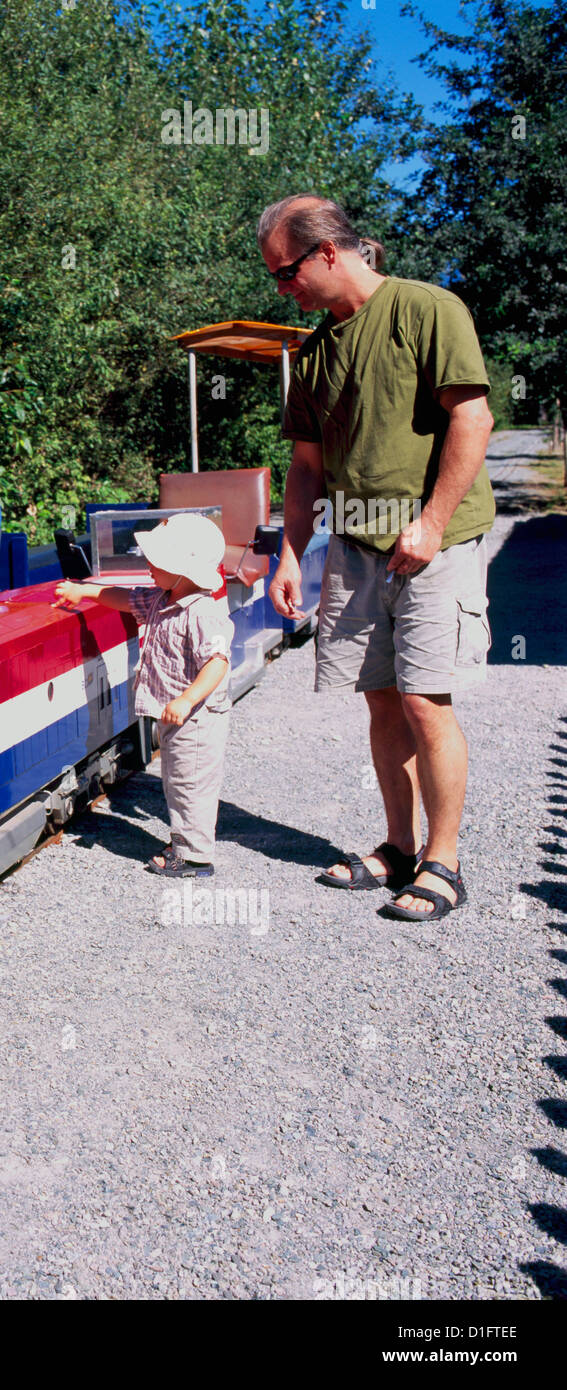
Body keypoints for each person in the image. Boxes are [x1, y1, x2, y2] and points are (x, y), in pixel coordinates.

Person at [258, 194, 494, 921]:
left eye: (285, 270)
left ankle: (442, 862)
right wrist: (289, 554)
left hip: (435, 543)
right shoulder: (312, 350)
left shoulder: (427, 309)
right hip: (356, 550)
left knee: (426, 700)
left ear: (328, 250)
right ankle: (396, 847)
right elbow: (304, 467)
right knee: (380, 700)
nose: (281, 287)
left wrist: (429, 521)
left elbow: (471, 416)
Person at [55, 513, 232, 877]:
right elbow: (123, 597)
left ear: (183, 570)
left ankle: (194, 856)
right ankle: (186, 841)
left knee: (190, 782)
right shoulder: (160, 598)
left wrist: (186, 699)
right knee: (177, 779)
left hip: (196, 716)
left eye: (157, 562)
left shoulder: (202, 612)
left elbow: (217, 661)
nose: (148, 566)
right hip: (178, 714)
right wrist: (84, 590)